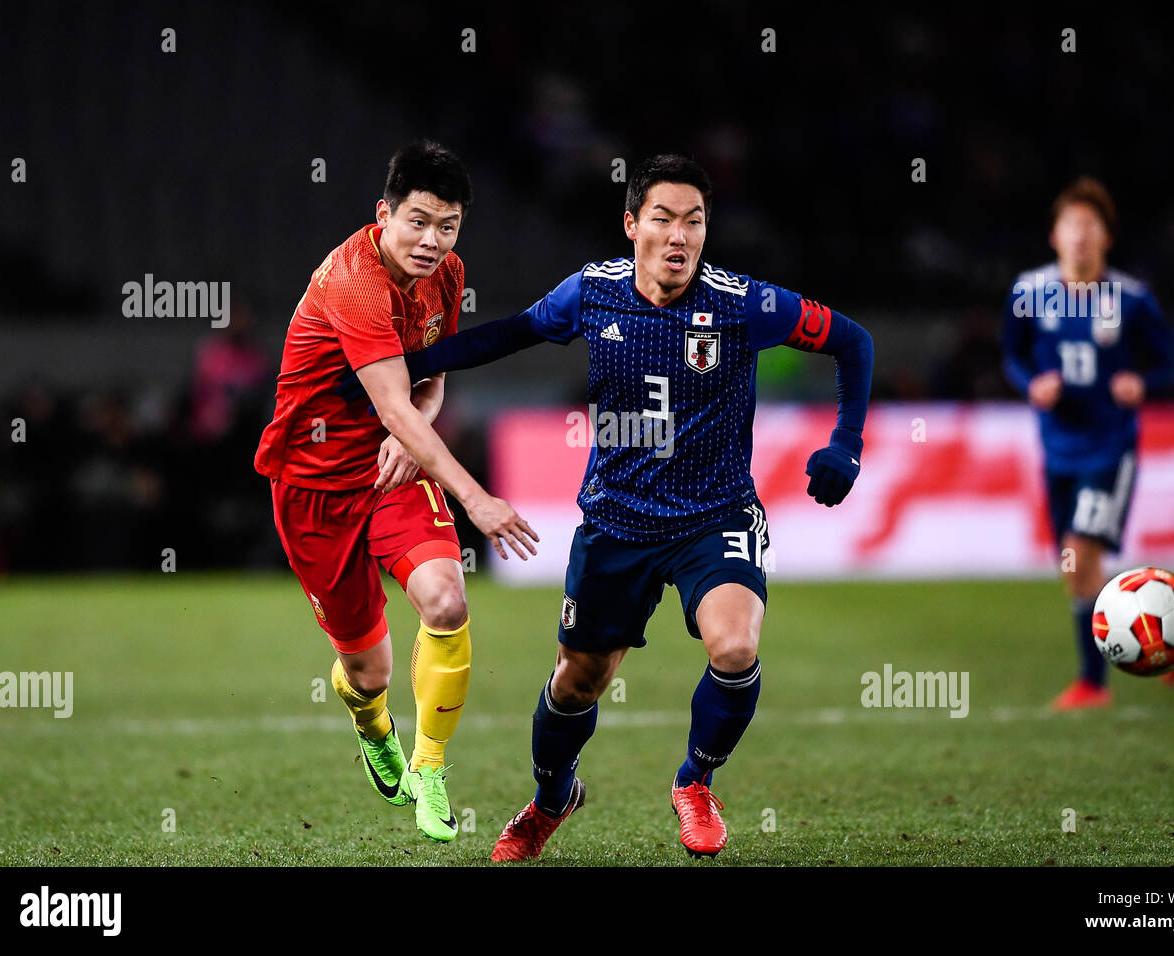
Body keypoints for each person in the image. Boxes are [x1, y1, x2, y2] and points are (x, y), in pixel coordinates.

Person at [399, 154, 873, 859]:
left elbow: (852, 341)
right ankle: (552, 795)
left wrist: (846, 443)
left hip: (714, 516)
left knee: (736, 646)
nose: (680, 235)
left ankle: (695, 782)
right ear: (632, 225)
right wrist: (406, 367)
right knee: (576, 681)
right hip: (617, 521)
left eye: (695, 221)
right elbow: (510, 333)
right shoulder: (592, 292)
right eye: (664, 219)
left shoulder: (743, 304)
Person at [253, 141, 539, 842]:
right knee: (368, 667)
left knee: (446, 600)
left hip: (394, 472)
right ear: (384, 214)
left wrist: (411, 432)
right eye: (417, 222)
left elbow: (429, 378)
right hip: (314, 485)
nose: (432, 241)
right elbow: (394, 405)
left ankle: (431, 767)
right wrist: (477, 497)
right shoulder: (354, 281)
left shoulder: (446, 275)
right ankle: (370, 719)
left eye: (448, 226)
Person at [1001, 176, 1174, 711]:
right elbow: (1012, 356)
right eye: (1071, 225)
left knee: (1079, 559)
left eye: (1090, 225)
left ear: (1107, 237)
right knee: (1075, 568)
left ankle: (1092, 685)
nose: (1080, 235)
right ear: (1054, 236)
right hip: (1057, 449)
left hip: (1110, 447)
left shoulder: (1132, 298)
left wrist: (1142, 385)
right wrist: (1031, 383)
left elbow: (1169, 362)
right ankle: (1163, 626)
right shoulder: (1029, 293)